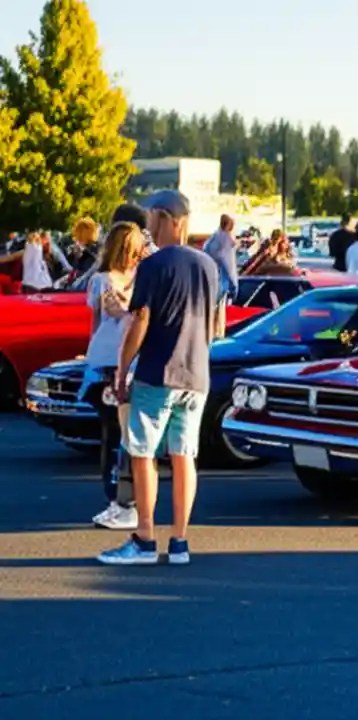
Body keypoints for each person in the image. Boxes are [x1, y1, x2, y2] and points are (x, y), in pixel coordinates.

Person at [98, 190, 217, 566]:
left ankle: (145, 538)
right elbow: (214, 324)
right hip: (196, 372)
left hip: (158, 370)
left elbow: (140, 319)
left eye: (152, 216)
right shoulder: (208, 265)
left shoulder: (153, 265)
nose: (148, 225)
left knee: (142, 452)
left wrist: (122, 368)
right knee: (184, 455)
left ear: (167, 219)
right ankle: (179, 541)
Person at [85, 221, 147, 530]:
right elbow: (101, 319)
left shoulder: (120, 279)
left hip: (119, 361)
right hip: (118, 360)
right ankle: (118, 500)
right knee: (118, 434)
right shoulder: (110, 280)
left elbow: (101, 321)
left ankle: (121, 500)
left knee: (118, 435)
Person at [203, 214, 239, 339]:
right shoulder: (227, 241)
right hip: (222, 280)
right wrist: (234, 286)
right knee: (219, 318)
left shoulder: (213, 238)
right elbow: (229, 266)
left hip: (210, 279)